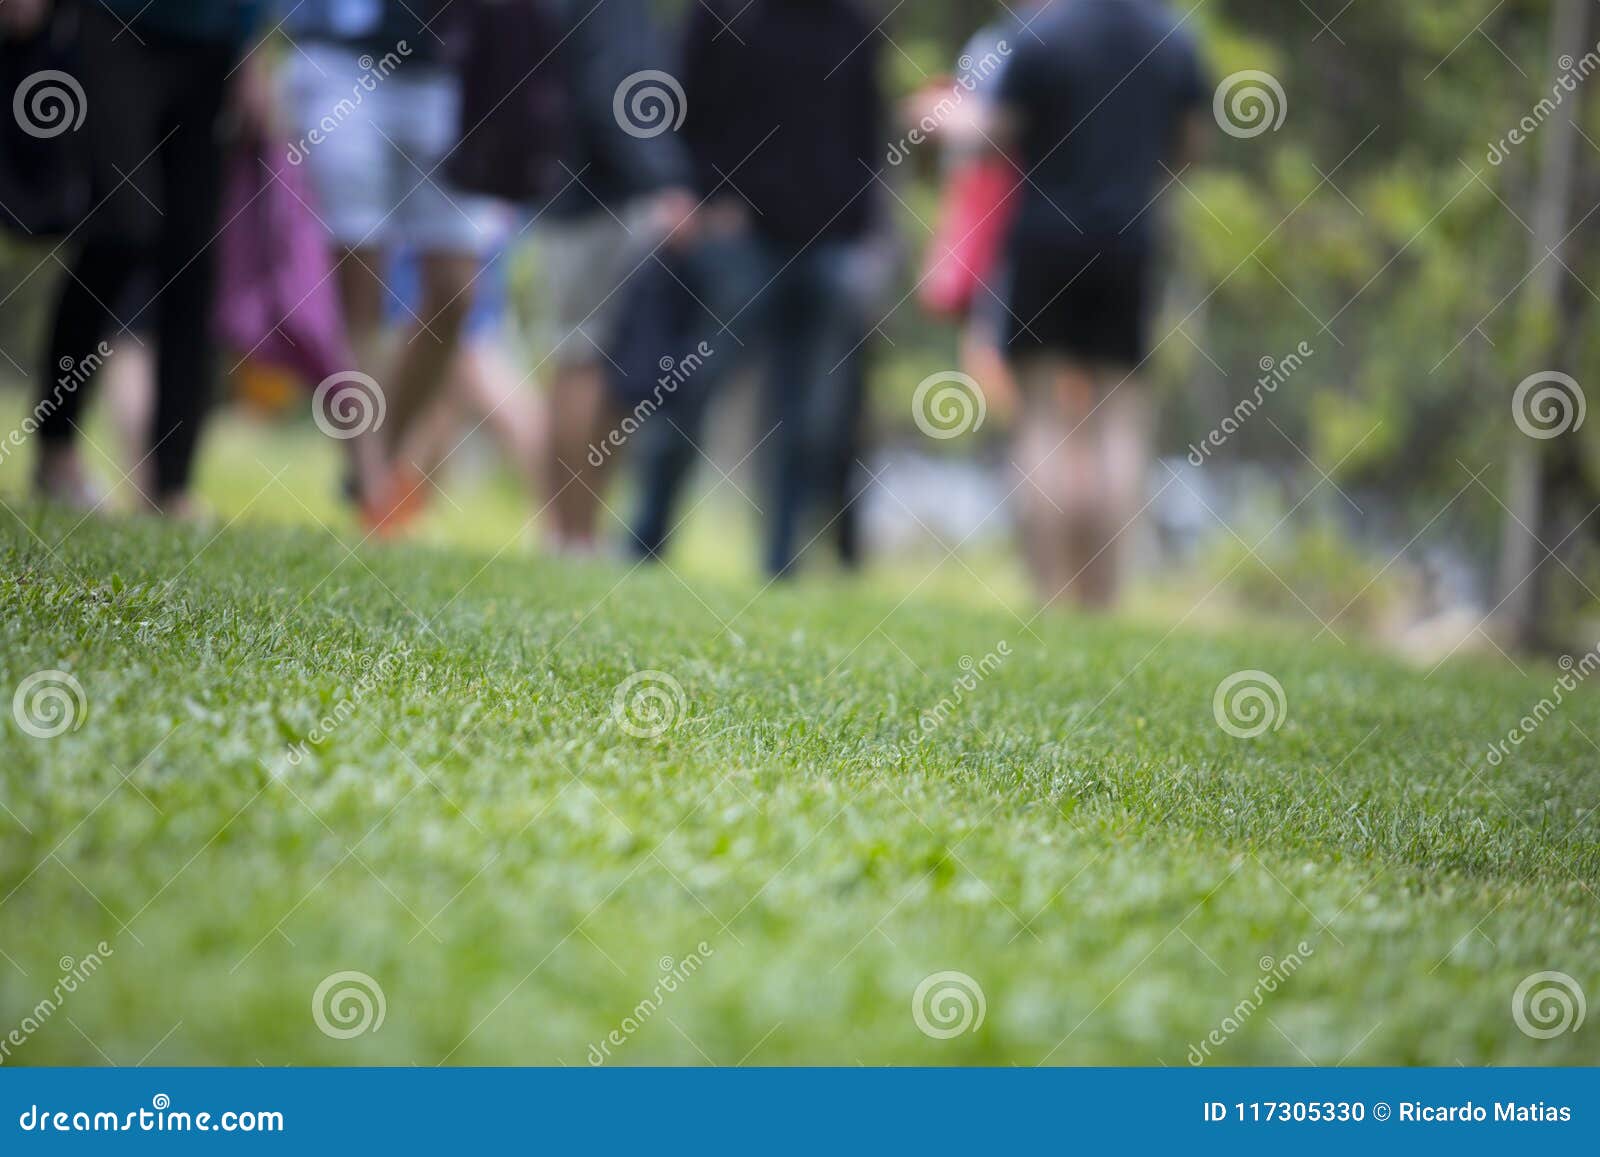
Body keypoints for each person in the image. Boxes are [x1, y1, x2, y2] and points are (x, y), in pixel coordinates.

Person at [630, 0, 885, 578]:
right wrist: (689, 195)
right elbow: (677, 107)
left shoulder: (853, 23)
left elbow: (866, 131)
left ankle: (781, 565)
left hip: (828, 245)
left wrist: (863, 237)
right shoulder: (721, 12)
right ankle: (644, 542)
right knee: (692, 386)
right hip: (736, 236)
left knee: (807, 419)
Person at [15, 0, 269, 516]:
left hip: (216, 35)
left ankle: (169, 483)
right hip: (116, 20)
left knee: (193, 255)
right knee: (122, 229)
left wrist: (253, 45)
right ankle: (56, 446)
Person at [992, 0, 1206, 608]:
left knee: (1040, 416)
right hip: (1129, 242)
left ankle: (1051, 594)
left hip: (1043, 239)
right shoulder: (1174, 37)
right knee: (1118, 419)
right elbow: (1190, 146)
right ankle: (1103, 602)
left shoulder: (1040, 32)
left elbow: (1003, 131)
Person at [281, 0, 500, 527]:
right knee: (359, 288)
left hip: (450, 72)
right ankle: (374, 486)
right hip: (345, 61)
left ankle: (378, 469)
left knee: (455, 291)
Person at [536, 0, 697, 556]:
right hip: (595, 203)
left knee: (583, 362)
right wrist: (665, 180)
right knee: (587, 364)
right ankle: (572, 535)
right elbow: (614, 95)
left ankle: (572, 534)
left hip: (570, 197)